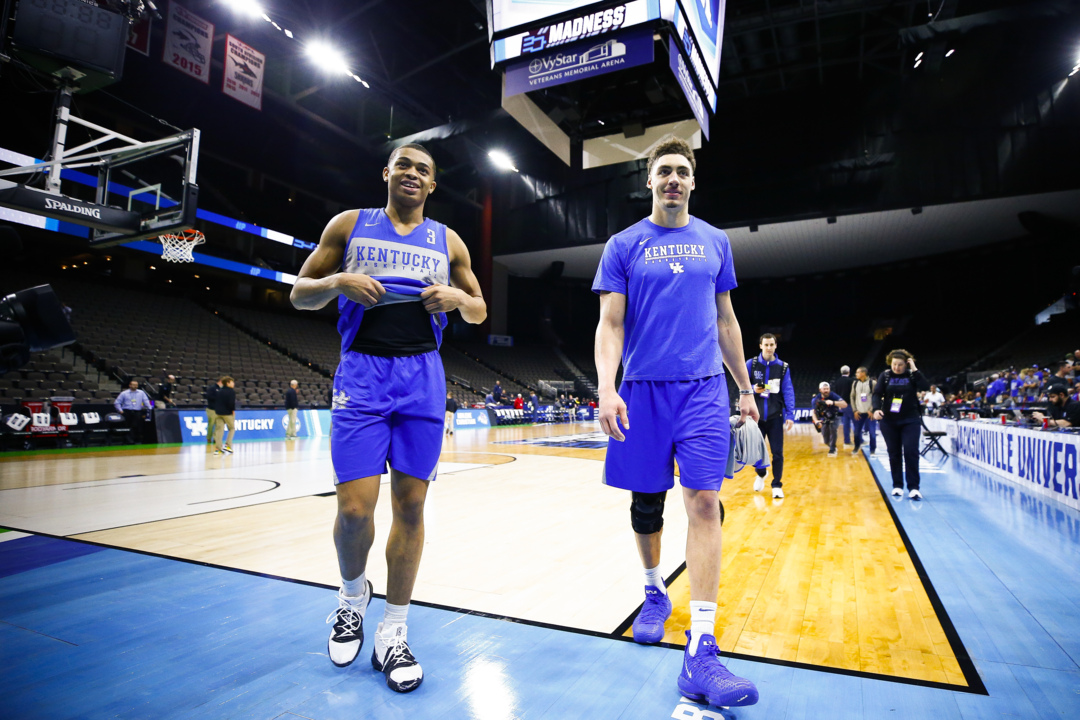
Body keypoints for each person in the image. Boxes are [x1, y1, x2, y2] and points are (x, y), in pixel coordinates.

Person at [290, 143, 485, 694]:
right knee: (354, 510)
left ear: (432, 185)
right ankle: (353, 598)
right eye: (404, 164)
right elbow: (298, 294)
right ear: (387, 173)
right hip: (363, 377)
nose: (412, 174)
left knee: (413, 505)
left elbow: (479, 308)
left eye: (423, 169)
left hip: (422, 378)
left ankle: (393, 631)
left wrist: (456, 297)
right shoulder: (349, 225)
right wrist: (335, 283)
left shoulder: (448, 240)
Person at [593, 135, 759, 709]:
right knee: (646, 505)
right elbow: (611, 324)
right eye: (663, 170)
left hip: (704, 391)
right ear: (649, 180)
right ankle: (654, 593)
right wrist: (607, 387)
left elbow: (728, 322)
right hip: (640, 392)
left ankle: (703, 651)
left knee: (704, 502)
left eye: (682, 171)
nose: (673, 179)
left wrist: (745, 387)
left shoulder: (714, 241)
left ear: (693, 181)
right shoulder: (623, 244)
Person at [872, 350, 930, 499]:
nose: (896, 367)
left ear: (907, 364)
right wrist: (876, 409)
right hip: (889, 420)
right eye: (894, 364)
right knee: (894, 453)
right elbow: (877, 394)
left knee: (911, 452)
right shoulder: (885, 376)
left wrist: (915, 369)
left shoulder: (912, 375)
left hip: (910, 419)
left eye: (900, 365)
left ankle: (914, 487)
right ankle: (897, 485)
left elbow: (925, 386)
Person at [747, 333, 795, 498]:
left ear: (776, 346)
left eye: (771, 345)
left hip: (775, 417)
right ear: (760, 346)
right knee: (755, 452)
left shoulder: (783, 367)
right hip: (756, 417)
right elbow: (742, 385)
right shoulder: (751, 364)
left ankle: (776, 485)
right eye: (766, 345)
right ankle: (761, 473)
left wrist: (790, 415)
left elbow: (788, 391)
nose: (768, 348)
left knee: (777, 452)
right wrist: (753, 389)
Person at [810, 382, 847, 457]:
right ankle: (831, 446)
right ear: (820, 390)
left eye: (827, 389)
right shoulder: (816, 399)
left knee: (833, 429)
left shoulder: (833, 395)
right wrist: (816, 421)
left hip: (835, 416)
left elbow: (844, 404)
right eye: (824, 389)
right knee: (825, 439)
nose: (826, 390)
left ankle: (832, 449)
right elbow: (813, 412)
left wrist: (833, 402)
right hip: (824, 417)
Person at [114, 379, 152, 444]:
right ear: (130, 385)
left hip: (137, 412)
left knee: (137, 426)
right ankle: (128, 441)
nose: (135, 386)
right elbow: (117, 403)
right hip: (127, 411)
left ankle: (137, 440)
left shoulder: (141, 393)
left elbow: (146, 401)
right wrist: (120, 411)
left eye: (136, 385)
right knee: (127, 427)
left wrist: (150, 409)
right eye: (134, 385)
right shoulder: (124, 393)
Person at [850, 367, 877, 455]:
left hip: (870, 413)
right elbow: (852, 397)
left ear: (863, 373)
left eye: (857, 372)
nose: (856, 374)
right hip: (859, 413)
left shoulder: (872, 383)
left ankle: (872, 450)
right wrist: (854, 410)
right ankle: (857, 446)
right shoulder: (855, 383)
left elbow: (876, 397)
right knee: (857, 433)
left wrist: (871, 410)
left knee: (872, 433)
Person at [213, 376, 236, 455]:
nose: (233, 384)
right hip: (227, 413)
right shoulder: (231, 391)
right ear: (228, 383)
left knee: (219, 430)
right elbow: (231, 403)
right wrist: (232, 411)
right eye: (232, 382)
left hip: (218, 413)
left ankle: (218, 448)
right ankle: (228, 445)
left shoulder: (219, 391)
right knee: (232, 428)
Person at [834, 366, 855, 446]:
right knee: (856, 422)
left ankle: (847, 441)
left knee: (846, 423)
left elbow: (836, 394)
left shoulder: (837, 381)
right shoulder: (851, 380)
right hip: (850, 404)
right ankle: (859, 440)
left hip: (842, 405)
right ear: (849, 372)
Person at [205, 377, 222, 445]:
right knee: (211, 424)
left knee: (218, 425)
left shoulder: (222, 389)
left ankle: (215, 438)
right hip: (212, 409)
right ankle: (209, 437)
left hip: (219, 410)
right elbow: (209, 397)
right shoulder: (212, 388)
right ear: (220, 381)